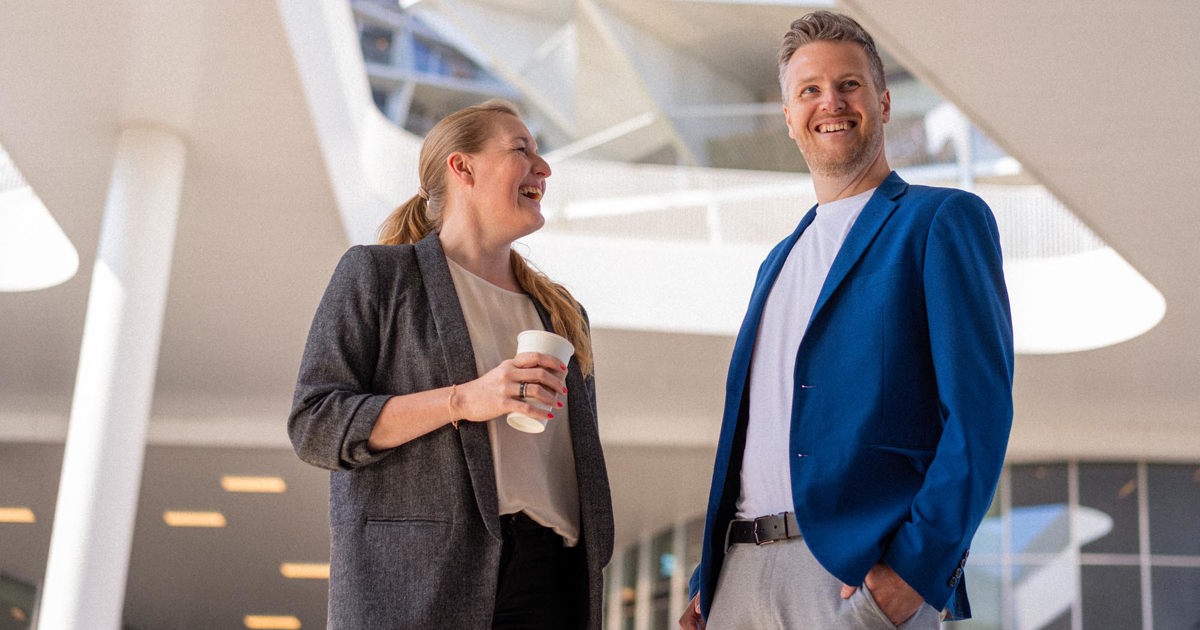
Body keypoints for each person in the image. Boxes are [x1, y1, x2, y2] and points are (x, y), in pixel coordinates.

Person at [680, 11, 1013, 630]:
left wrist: (915, 572)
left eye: (849, 84)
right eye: (809, 89)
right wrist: (710, 578)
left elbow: (980, 414)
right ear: (789, 117)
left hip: (852, 579)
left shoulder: (939, 221)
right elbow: (762, 428)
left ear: (883, 102)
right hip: (738, 576)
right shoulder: (776, 262)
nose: (830, 102)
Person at [289, 100, 613, 629]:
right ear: (463, 167)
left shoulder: (562, 312)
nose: (544, 168)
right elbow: (316, 424)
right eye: (521, 149)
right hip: (422, 581)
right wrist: (464, 400)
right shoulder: (379, 276)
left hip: (553, 577)